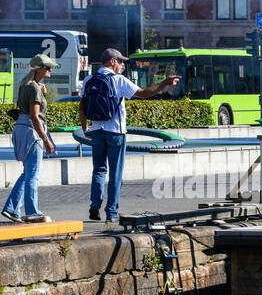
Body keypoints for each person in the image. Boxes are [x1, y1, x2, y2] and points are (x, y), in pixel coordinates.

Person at [80, 48, 178, 223]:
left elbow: (82, 107)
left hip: (95, 131)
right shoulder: (118, 80)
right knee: (116, 172)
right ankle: (111, 212)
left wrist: (85, 128)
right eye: (120, 61)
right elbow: (145, 94)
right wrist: (164, 83)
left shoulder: (89, 80)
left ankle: (94, 206)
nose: (122, 65)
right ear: (112, 61)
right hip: (116, 131)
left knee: (99, 170)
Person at [2, 54, 58, 224]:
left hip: (21, 129)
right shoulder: (34, 88)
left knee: (27, 173)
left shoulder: (25, 85)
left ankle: (11, 208)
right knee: (33, 174)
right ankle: (32, 212)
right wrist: (46, 140)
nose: (50, 70)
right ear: (39, 68)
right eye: (48, 67)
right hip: (31, 131)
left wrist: (41, 90)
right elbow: (35, 116)